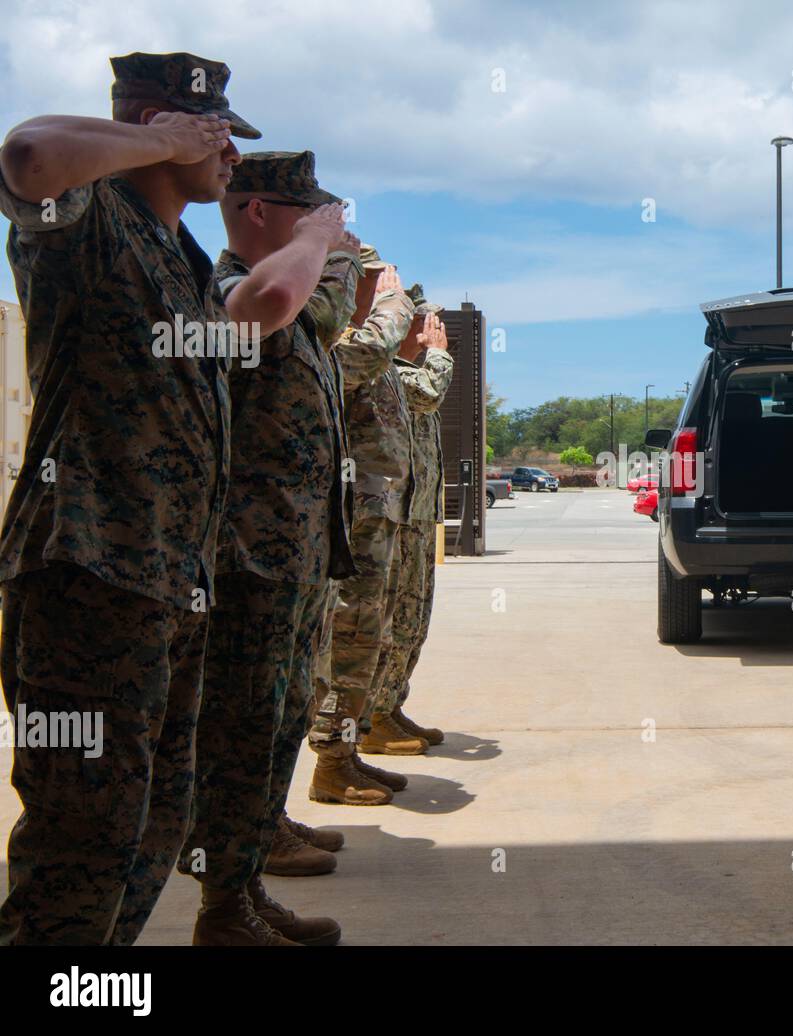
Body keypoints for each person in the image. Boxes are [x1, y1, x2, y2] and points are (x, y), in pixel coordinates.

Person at [0, 52, 256, 944]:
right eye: (218, 132)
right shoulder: (89, 222)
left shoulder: (180, 255)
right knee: (85, 835)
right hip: (89, 571)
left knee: (153, 825)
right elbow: (27, 154)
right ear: (162, 123)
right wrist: (156, 139)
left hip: (170, 581)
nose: (230, 156)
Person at [180, 151, 360, 944]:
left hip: (292, 558)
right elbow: (286, 303)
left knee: (277, 724)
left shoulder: (289, 293)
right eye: (308, 216)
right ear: (258, 212)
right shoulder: (225, 289)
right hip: (246, 560)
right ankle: (223, 907)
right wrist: (326, 253)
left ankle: (243, 891)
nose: (325, 232)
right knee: (239, 733)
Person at [307, 245, 417, 803]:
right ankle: (329, 762)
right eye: (373, 280)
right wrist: (393, 306)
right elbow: (370, 350)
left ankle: (345, 753)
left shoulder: (373, 353)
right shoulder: (336, 346)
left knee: (366, 638)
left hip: (378, 522)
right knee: (347, 641)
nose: (382, 290)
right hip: (352, 527)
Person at [369, 284, 454, 744]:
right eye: (424, 321)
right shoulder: (389, 371)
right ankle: (370, 718)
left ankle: (389, 707)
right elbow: (429, 393)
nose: (430, 330)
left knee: (410, 623)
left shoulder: (404, 370)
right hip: (394, 519)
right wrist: (438, 355)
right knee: (386, 625)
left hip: (417, 517)